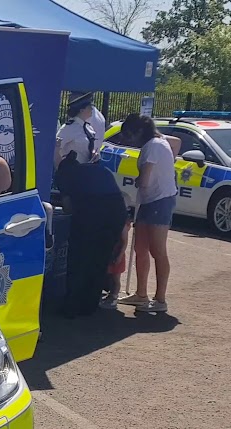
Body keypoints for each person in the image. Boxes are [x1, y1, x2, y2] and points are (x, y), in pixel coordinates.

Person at [54, 92, 128, 317]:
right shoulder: (68, 129)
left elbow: (92, 149)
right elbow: (57, 151)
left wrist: (95, 155)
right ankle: (75, 302)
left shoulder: (90, 129)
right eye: (89, 107)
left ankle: (89, 300)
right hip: (76, 180)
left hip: (90, 179)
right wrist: (62, 170)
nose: (92, 110)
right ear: (81, 109)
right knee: (81, 252)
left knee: (94, 254)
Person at [116, 113, 178, 314]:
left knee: (157, 250)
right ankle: (141, 294)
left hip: (159, 201)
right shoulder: (160, 142)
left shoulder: (153, 146)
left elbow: (144, 179)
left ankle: (160, 298)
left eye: (130, 135)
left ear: (138, 132)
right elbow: (176, 143)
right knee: (140, 248)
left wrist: (138, 180)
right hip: (149, 200)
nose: (129, 140)